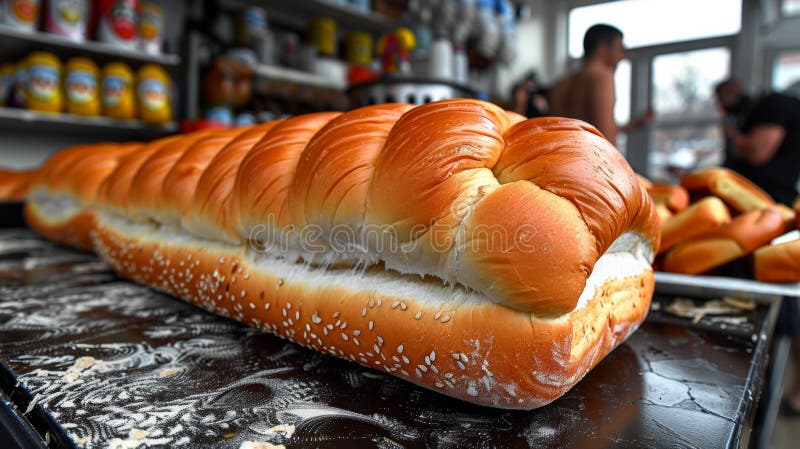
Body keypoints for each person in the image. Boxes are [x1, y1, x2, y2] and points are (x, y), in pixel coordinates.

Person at [549, 24, 652, 146]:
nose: (622, 56)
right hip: (594, 156)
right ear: (603, 48)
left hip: (565, 155)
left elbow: (584, 129)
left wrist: (634, 124)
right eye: (620, 49)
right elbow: (605, 135)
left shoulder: (561, 85)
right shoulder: (602, 77)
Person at [715, 78, 800, 206]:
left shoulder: (778, 104)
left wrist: (732, 134)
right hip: (758, 194)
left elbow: (756, 153)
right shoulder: (755, 108)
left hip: (768, 196)